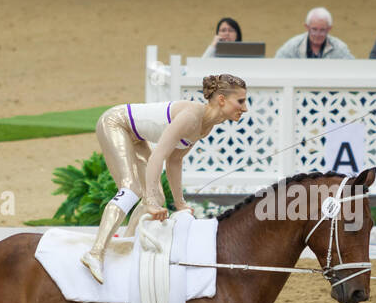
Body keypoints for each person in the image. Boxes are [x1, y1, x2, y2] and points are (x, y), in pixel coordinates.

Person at [80, 74, 249, 283]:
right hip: (115, 123)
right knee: (132, 189)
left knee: (158, 198)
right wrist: (149, 202)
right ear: (221, 99)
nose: (245, 108)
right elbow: (159, 156)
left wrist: (180, 204)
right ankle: (95, 253)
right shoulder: (191, 117)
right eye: (240, 101)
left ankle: (124, 247)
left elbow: (175, 161)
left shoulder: (205, 127)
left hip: (136, 136)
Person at [274, 7, 353, 59]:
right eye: (314, 29)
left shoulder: (340, 48)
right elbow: (276, 66)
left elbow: (352, 69)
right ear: (307, 27)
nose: (318, 34)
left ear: (329, 29)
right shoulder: (292, 46)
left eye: (322, 30)